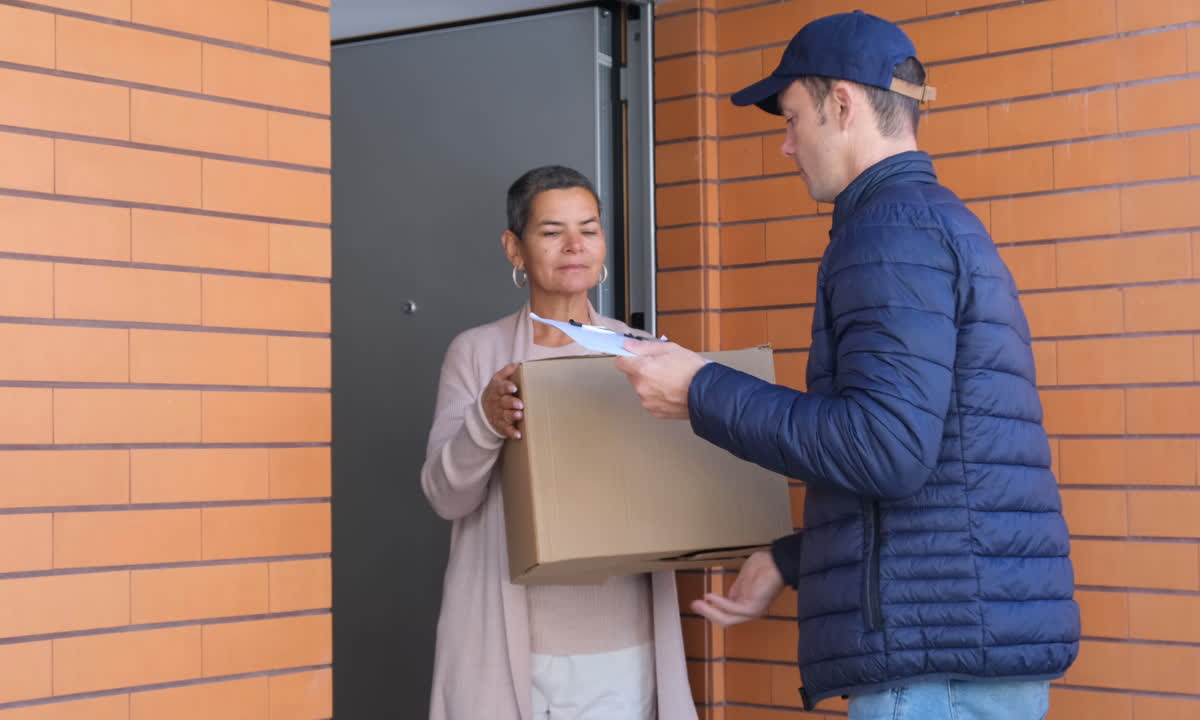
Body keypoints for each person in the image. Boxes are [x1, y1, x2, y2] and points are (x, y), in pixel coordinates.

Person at [615, 11, 1079, 720]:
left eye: (794, 117)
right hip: (958, 648)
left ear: (842, 103)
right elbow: (934, 455)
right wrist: (795, 560)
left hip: (931, 668)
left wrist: (698, 389)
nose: (785, 145)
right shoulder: (929, 222)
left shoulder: (888, 232)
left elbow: (885, 448)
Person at [421, 165, 697, 720]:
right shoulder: (477, 353)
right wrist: (485, 421)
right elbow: (445, 496)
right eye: (550, 232)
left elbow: (678, 494)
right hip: (510, 648)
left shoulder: (643, 352)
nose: (574, 245)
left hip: (624, 646)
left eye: (589, 229)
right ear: (514, 248)